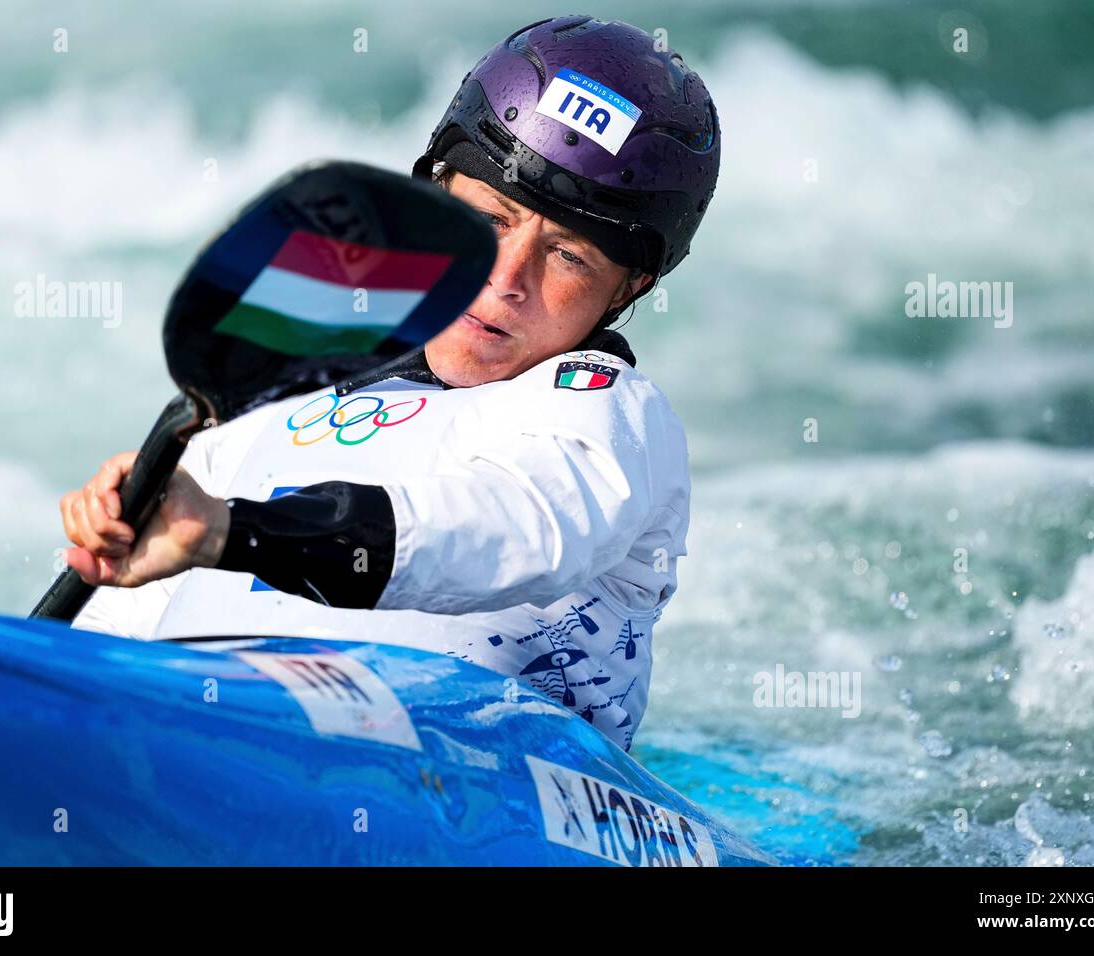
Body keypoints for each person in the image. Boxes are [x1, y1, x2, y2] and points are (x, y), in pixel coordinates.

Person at [63, 15, 720, 752]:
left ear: (629, 287)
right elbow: (108, 650)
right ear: (432, 194)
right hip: (204, 726)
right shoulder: (278, 393)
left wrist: (230, 532)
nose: (506, 280)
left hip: (465, 765)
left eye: (567, 255)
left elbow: (507, 529)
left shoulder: (613, 413)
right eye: (488, 220)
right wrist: (114, 539)